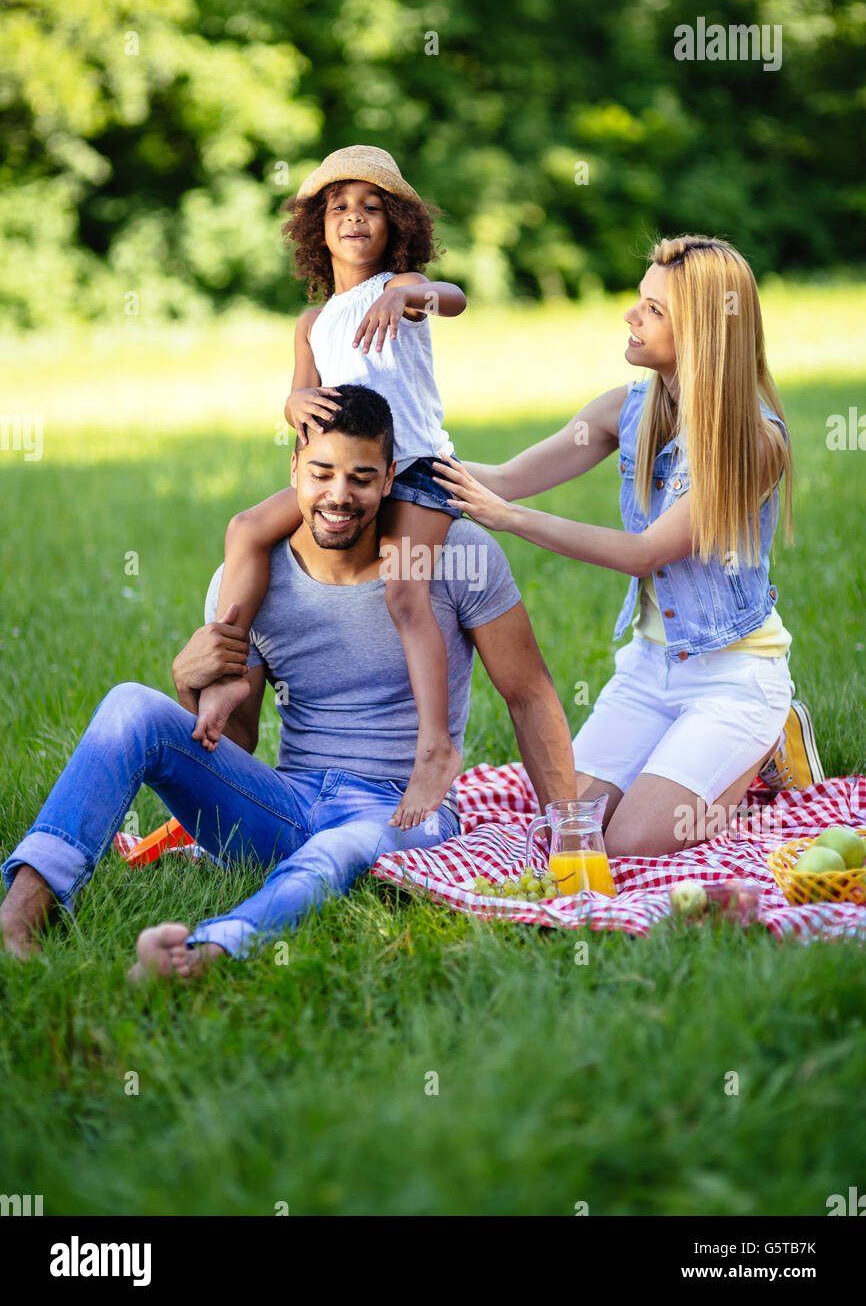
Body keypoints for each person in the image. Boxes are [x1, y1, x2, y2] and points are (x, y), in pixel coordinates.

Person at [0, 386, 576, 977]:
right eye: (322, 472)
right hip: (284, 801)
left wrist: (571, 838)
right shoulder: (247, 577)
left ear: (389, 478)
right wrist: (187, 685)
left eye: (360, 478)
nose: (339, 496)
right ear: (294, 467)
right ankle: (20, 919)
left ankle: (203, 954)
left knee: (339, 847)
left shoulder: (459, 556)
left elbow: (529, 695)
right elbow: (239, 739)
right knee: (128, 706)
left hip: (402, 809)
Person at [433, 234, 824, 858]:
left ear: (702, 333)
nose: (630, 316)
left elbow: (645, 553)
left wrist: (511, 520)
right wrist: (398, 459)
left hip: (732, 678)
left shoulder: (752, 441)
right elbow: (505, 477)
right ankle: (706, 755)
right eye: (640, 300)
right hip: (647, 671)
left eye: (654, 310)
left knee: (629, 846)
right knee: (565, 836)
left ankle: (769, 737)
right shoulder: (624, 408)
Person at [194, 145, 467, 832]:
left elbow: (454, 299)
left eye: (371, 207)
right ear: (317, 227)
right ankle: (229, 666)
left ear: (395, 225)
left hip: (416, 471)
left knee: (406, 595)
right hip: (341, 476)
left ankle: (434, 746)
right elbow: (299, 394)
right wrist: (292, 407)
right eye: (339, 207)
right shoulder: (312, 322)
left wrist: (411, 292)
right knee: (245, 531)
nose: (354, 217)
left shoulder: (403, 289)